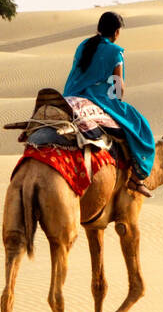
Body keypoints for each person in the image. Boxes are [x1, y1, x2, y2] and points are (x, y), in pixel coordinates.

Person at [63, 11, 156, 196]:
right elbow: (118, 89)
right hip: (98, 98)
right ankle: (137, 177)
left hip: (71, 95)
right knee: (139, 126)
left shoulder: (83, 46)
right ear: (116, 32)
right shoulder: (115, 53)